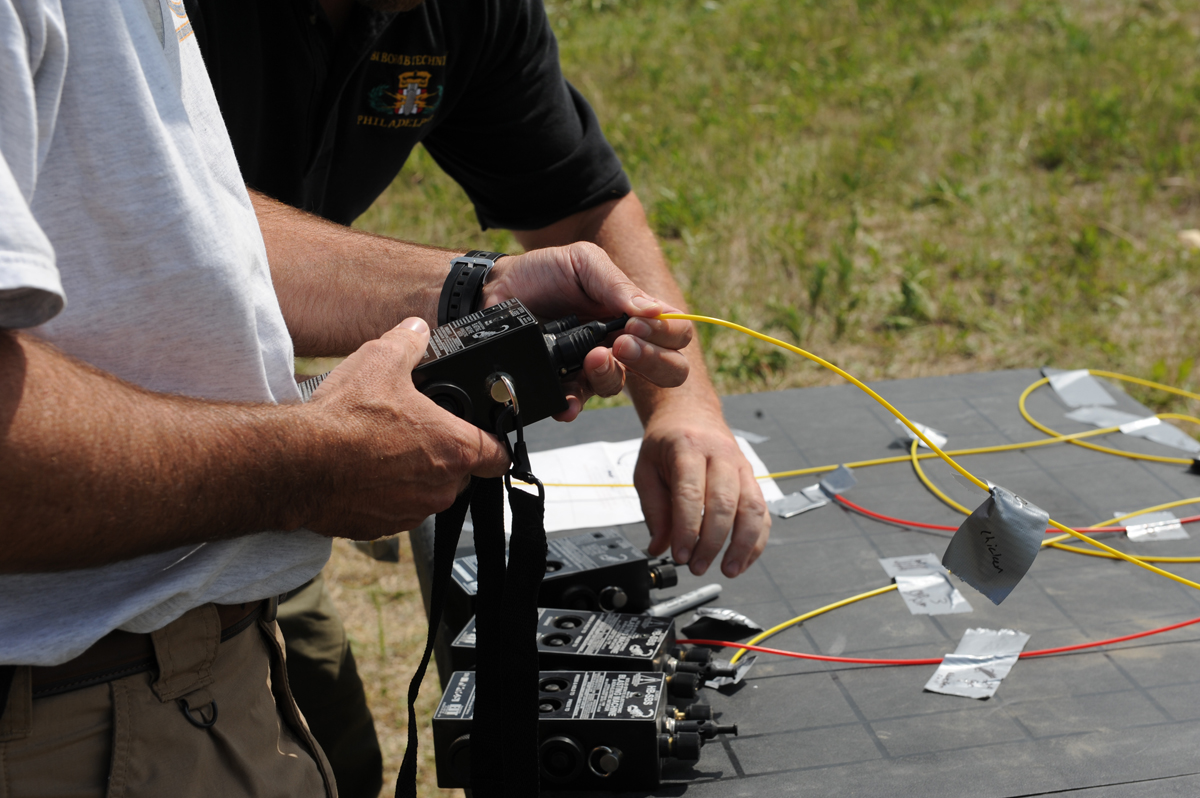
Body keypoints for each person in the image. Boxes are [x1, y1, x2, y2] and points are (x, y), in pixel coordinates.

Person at [0, 0, 691, 795]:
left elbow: (169, 213)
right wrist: (311, 464)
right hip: (67, 715)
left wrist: (470, 291)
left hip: (191, 667)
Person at [183, 2, 773, 792]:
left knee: (333, 759)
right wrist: (311, 458)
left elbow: (581, 203)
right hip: (88, 528)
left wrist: (682, 408)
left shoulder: (465, 13)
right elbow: (153, 227)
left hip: (251, 476)